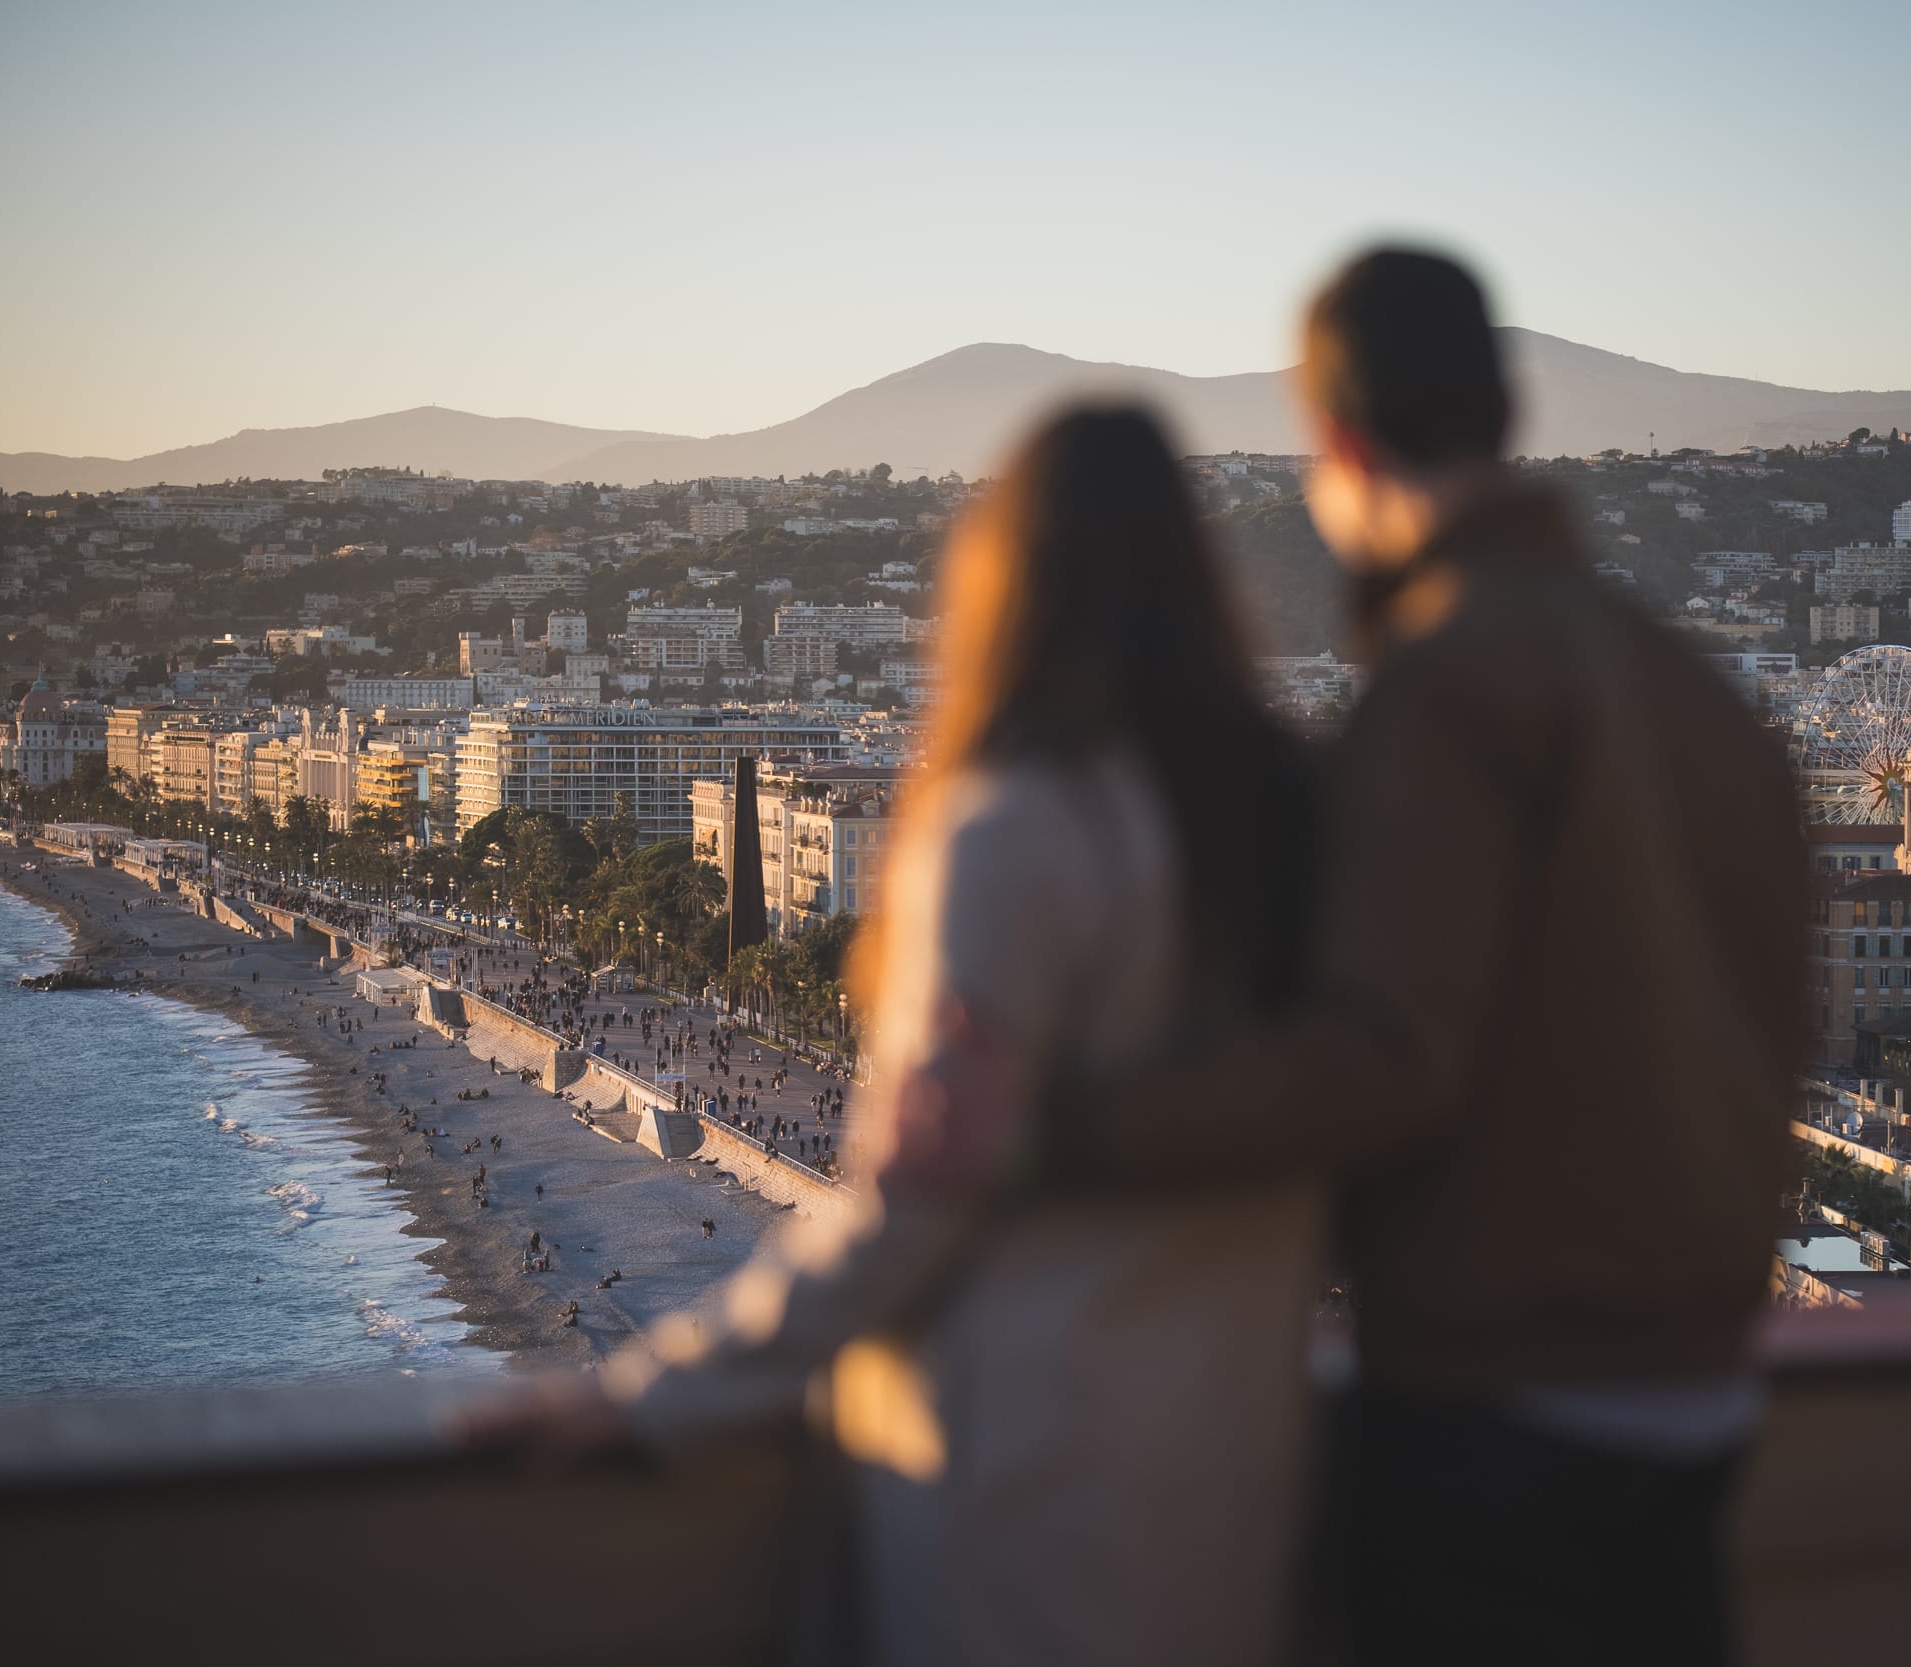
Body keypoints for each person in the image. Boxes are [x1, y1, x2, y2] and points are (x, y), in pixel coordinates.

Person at [898, 250, 1811, 1665]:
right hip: (1704, 1394)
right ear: (1505, 408)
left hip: (1505, 1410)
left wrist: (1047, 1133)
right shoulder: (1699, 690)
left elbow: (1379, 1060)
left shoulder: (1450, 685)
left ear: (1335, 442)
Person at [515, 407, 1322, 1667]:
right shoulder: (1292, 819)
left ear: (1000, 585)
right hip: (1240, 1474)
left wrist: (656, 1393)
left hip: (1020, 1477)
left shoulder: (1008, 829)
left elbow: (920, 1196)